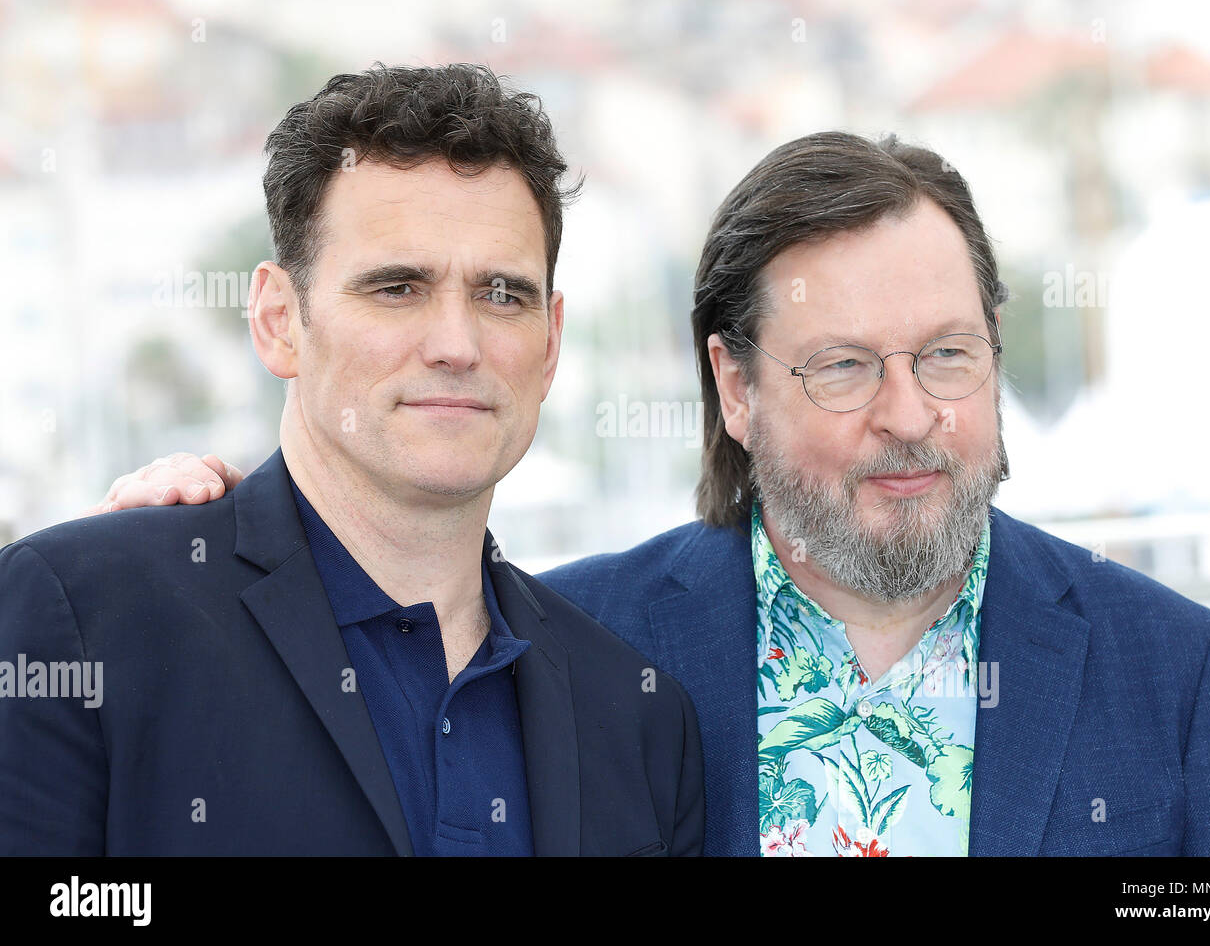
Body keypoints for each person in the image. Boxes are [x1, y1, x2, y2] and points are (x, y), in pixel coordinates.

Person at [81, 132, 1210, 857]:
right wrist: (213, 542)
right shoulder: (563, 652)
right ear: (735, 387)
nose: (910, 413)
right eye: (844, 366)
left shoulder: (1170, 667)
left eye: (947, 354)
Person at [0, 63, 704, 856]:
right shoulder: (85, 620)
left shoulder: (638, 719)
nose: (456, 346)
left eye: (502, 294)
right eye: (397, 287)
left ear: (551, 343)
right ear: (278, 321)